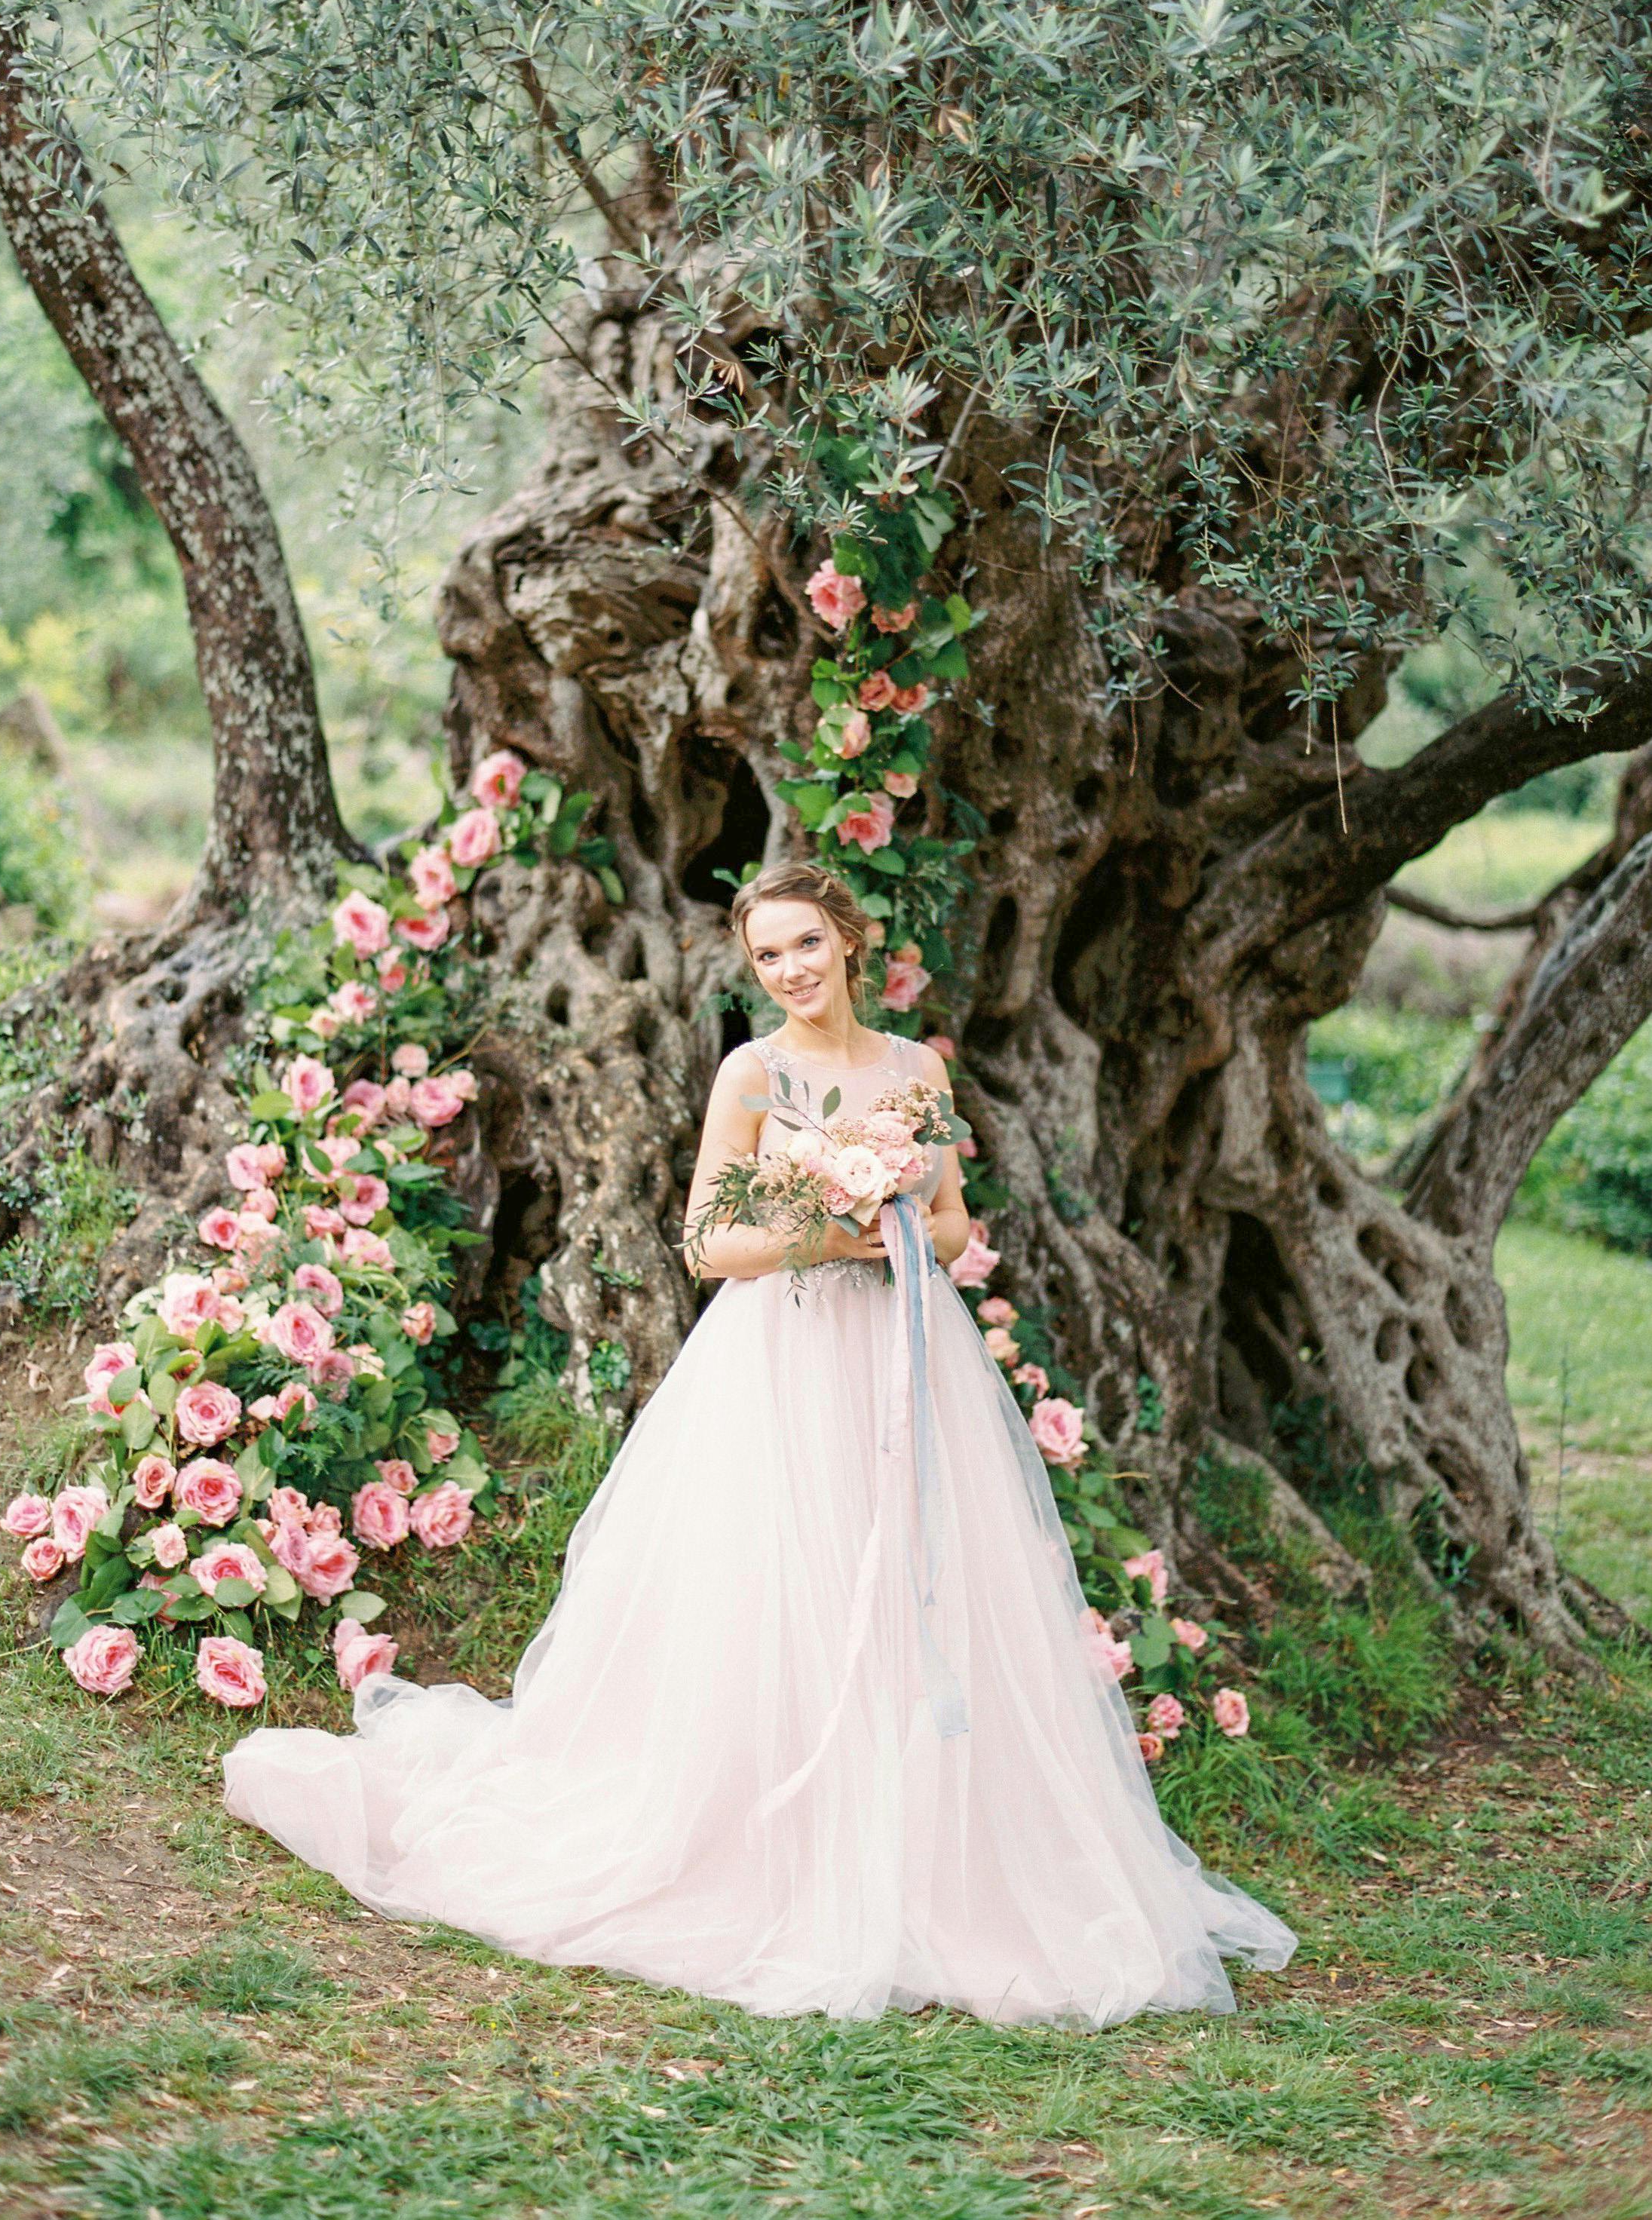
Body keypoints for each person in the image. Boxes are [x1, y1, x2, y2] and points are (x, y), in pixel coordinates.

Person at [222, 861, 1295, 2024]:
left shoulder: (914, 1070)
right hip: (781, 1355)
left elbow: (949, 1216)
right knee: (783, 1581)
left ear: (847, 940)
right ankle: (770, 1842)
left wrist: (896, 1230)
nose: (786, 970)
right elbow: (704, 1241)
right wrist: (822, 1230)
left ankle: (923, 1848)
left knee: (920, 1578)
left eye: (801, 945)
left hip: (907, 1354)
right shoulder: (753, 1071)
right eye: (764, 957)